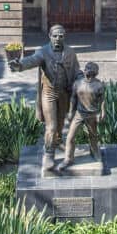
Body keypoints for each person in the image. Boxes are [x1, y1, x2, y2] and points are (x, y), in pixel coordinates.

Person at [9, 24, 80, 167]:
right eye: (55, 36)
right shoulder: (43, 51)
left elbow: (76, 71)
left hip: (64, 93)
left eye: (61, 36)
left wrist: (83, 79)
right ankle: (49, 153)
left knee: (60, 124)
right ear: (49, 36)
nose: (58, 39)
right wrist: (19, 65)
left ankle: (57, 142)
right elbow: (32, 60)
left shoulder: (71, 53)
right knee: (51, 126)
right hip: (49, 93)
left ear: (64, 37)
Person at [57, 61, 105, 172]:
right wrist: (70, 112)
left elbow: (102, 100)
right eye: (86, 68)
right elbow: (73, 98)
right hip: (79, 114)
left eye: (89, 68)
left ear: (95, 72)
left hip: (92, 114)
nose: (86, 69)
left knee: (93, 136)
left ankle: (95, 152)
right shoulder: (77, 83)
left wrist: (102, 112)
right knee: (70, 137)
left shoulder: (99, 85)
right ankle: (68, 159)